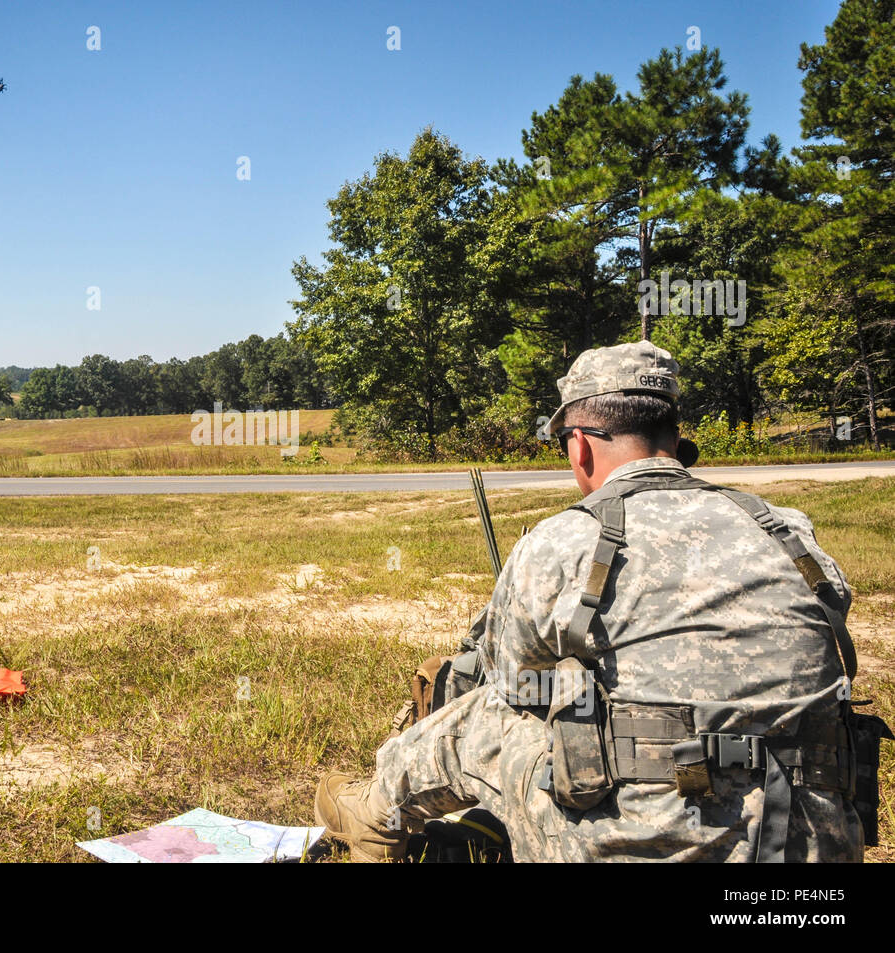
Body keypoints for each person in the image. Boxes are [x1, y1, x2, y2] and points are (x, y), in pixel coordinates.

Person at [315, 341, 871, 862]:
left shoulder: (564, 540)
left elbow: (514, 687)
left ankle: (373, 813)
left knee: (489, 717)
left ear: (579, 444)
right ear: (676, 438)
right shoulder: (787, 532)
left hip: (639, 841)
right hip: (812, 841)